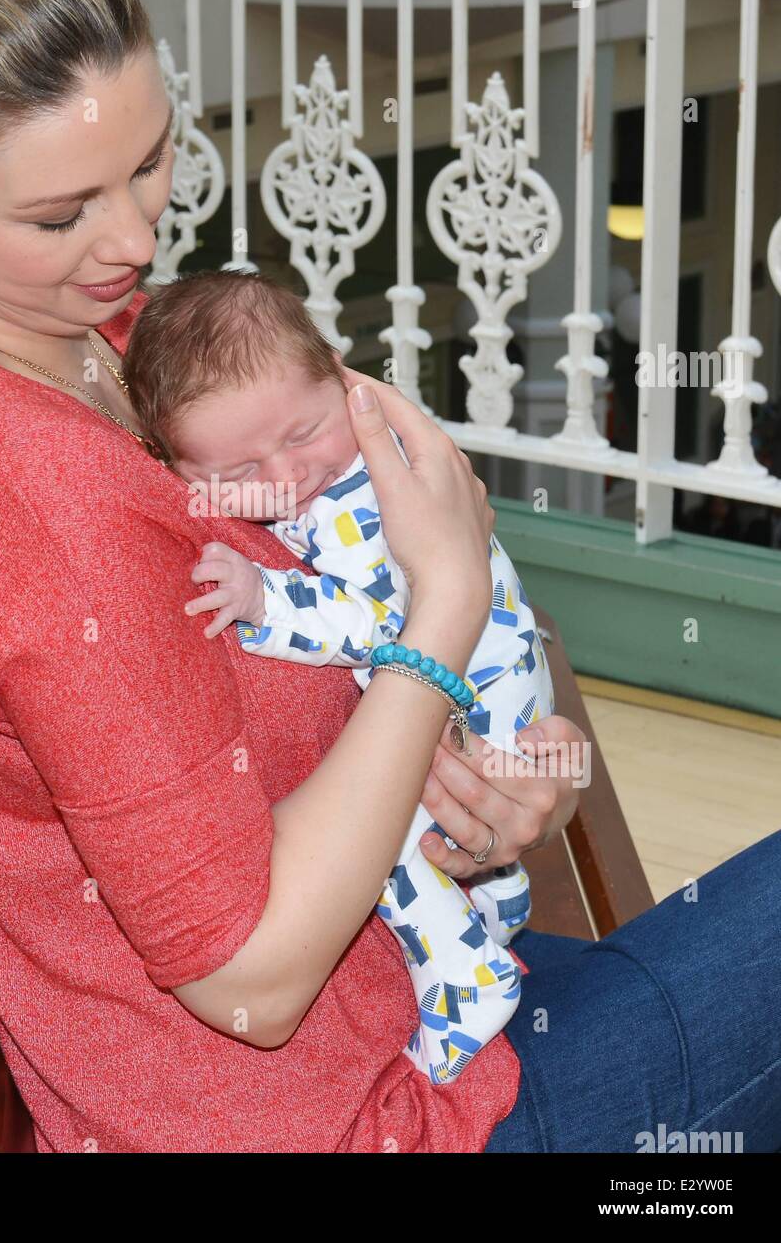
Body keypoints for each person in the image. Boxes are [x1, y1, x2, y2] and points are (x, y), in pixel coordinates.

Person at [0, 0, 781, 1152]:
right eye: (60, 210)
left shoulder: (84, 337)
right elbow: (249, 984)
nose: (134, 237)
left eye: (150, 161)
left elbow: (390, 471)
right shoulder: (28, 495)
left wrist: (508, 776)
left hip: (421, 997)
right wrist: (443, 614)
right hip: (361, 1114)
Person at [123, 268, 550, 1085]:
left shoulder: (366, 493)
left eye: (302, 431)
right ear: (180, 470)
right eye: (239, 470)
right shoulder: (366, 457)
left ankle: (468, 975)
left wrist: (261, 597)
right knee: (411, 815)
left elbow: (381, 628)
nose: (285, 476)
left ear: (345, 385)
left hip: (486, 687)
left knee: (375, 827)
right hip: (497, 684)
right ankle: (494, 914)